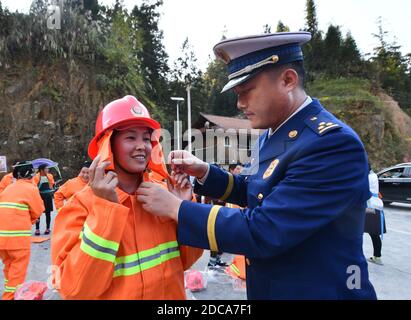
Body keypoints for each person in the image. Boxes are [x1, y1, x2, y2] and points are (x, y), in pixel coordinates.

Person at [136, 32, 377, 299]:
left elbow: (265, 230)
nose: (240, 104)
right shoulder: (272, 133)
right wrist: (205, 172)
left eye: (246, 91)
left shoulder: (330, 144)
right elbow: (256, 190)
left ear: (288, 80)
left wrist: (176, 208)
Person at [51, 95, 202, 300]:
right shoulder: (81, 206)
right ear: (108, 146)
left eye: (147, 138)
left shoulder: (164, 196)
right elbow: (75, 290)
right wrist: (105, 210)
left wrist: (183, 209)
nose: (142, 146)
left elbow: (188, 261)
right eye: (131, 137)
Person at [0, 161, 45, 300]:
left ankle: (10, 292)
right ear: (31, 175)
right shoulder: (31, 189)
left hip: (2, 239)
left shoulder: (8, 188)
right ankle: (9, 297)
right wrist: (30, 220)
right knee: (18, 273)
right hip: (18, 241)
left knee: (9, 268)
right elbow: (39, 210)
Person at [364, 164, 386, 265]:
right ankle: (377, 256)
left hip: (369, 207)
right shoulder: (373, 175)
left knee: (370, 232)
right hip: (375, 205)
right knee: (374, 233)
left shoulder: (367, 177)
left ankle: (377, 257)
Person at [33, 164, 55, 235]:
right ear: (42, 170)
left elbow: (52, 185)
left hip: (48, 196)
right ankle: (37, 229)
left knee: (48, 213)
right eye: (46, 168)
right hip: (39, 196)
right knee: (38, 213)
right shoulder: (36, 177)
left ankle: (48, 228)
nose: (48, 170)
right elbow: (33, 186)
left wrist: (52, 189)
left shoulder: (50, 176)